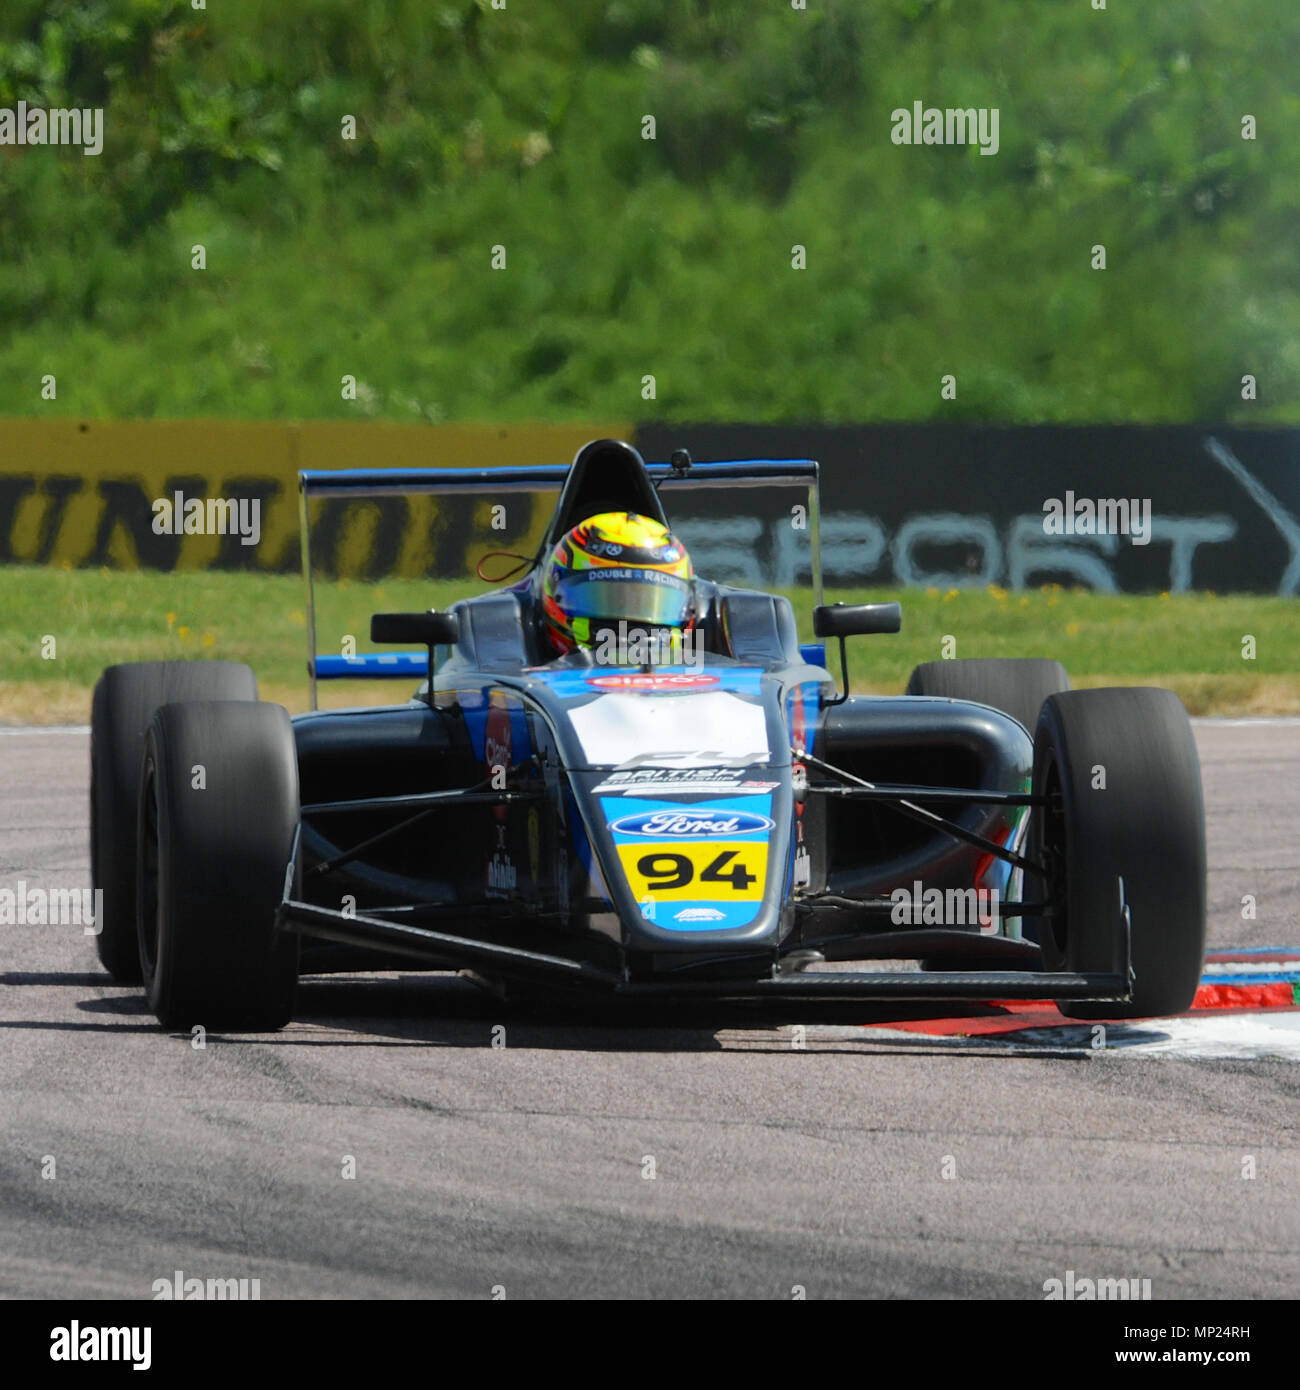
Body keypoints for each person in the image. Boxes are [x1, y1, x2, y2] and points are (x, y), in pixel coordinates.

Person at [539, 511, 698, 663]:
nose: (628, 632)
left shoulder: (712, 622)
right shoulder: (517, 632)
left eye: (646, 602)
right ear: (555, 594)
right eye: (610, 599)